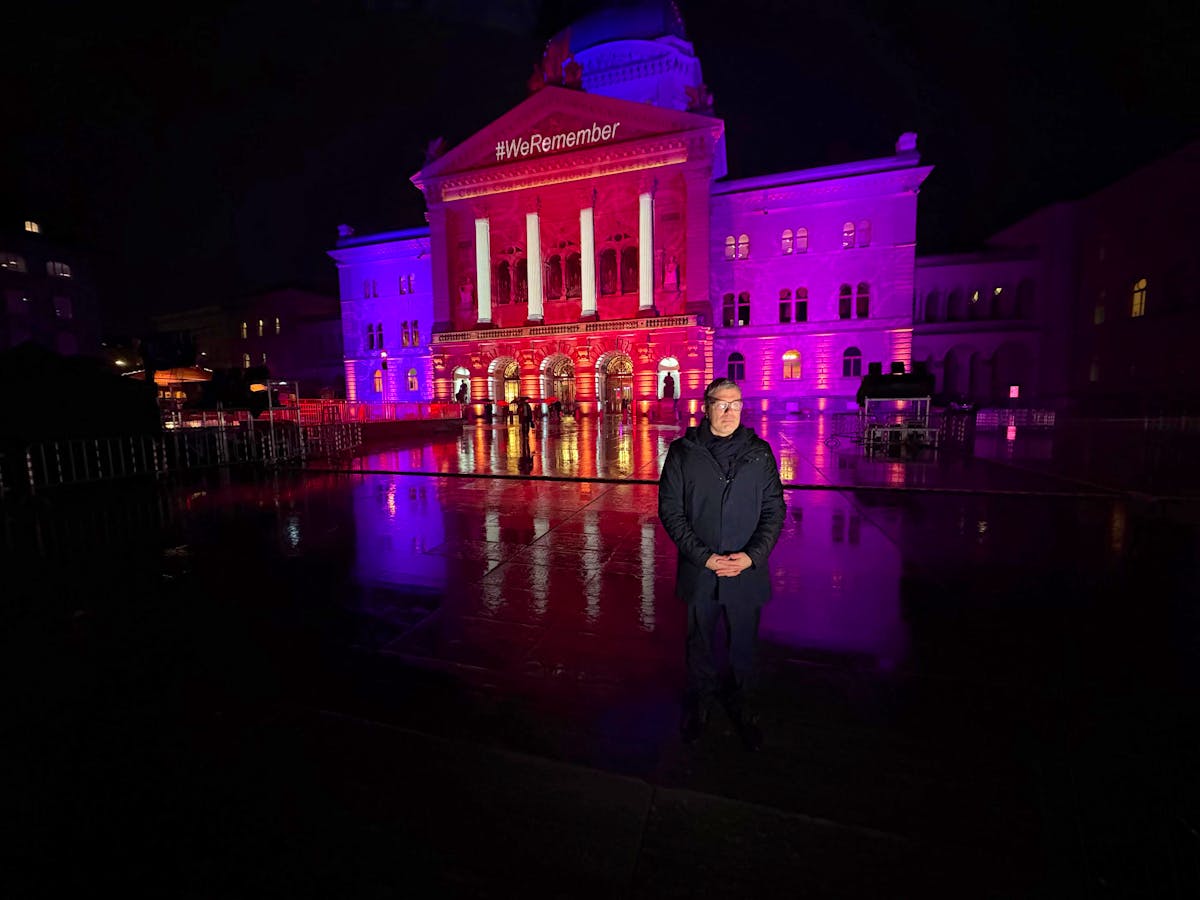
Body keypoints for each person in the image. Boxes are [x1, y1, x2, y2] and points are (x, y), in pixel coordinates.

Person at [657, 377, 785, 751]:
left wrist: (751, 556)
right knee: (699, 643)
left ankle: (744, 705)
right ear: (707, 405)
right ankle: (700, 703)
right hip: (701, 571)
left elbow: (774, 510)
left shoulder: (759, 453)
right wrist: (704, 556)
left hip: (746, 572)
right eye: (722, 404)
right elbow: (671, 510)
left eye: (736, 404)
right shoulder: (683, 452)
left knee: (743, 645)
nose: (730, 412)